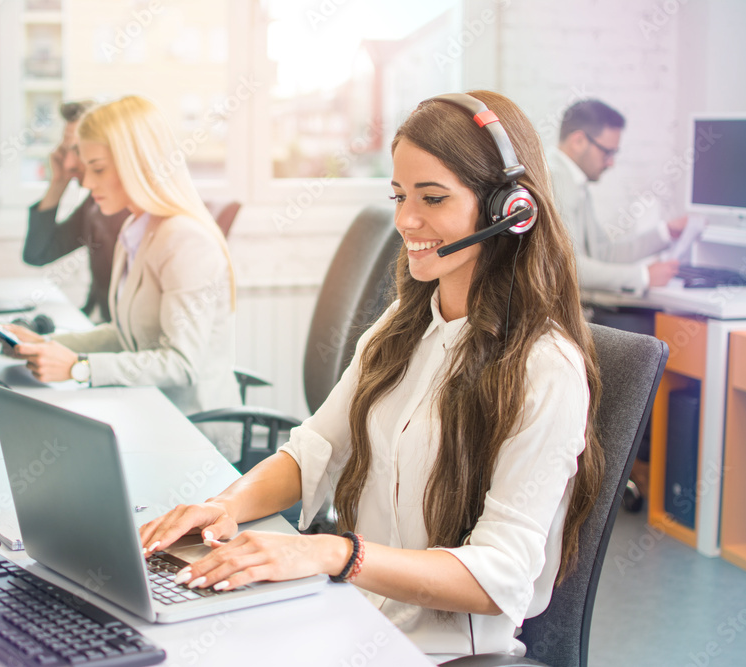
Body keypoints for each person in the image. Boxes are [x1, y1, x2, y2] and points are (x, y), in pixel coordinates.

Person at [138, 91, 605, 659]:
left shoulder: (544, 369)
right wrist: (228, 504)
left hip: (437, 651)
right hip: (350, 614)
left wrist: (337, 554)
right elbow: (317, 449)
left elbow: (500, 575)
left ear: (511, 210)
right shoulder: (406, 323)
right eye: (399, 195)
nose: (406, 221)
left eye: (432, 198)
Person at [6, 95, 242, 462]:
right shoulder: (136, 227)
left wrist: (78, 367)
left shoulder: (185, 241)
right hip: (148, 409)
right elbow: (127, 334)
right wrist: (50, 343)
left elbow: (181, 363)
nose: (85, 181)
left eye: (97, 168)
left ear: (136, 165)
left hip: (195, 433)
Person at [548, 99, 686, 296]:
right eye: (607, 152)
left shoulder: (574, 181)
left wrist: (664, 233)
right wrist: (642, 277)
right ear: (578, 141)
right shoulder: (555, 179)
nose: (611, 163)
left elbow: (602, 252)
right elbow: (569, 267)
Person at [22, 100, 131, 321]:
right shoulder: (94, 204)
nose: (69, 163)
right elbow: (37, 254)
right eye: (65, 151)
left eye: (77, 150)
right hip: (99, 326)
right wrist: (57, 183)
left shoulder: (132, 211)